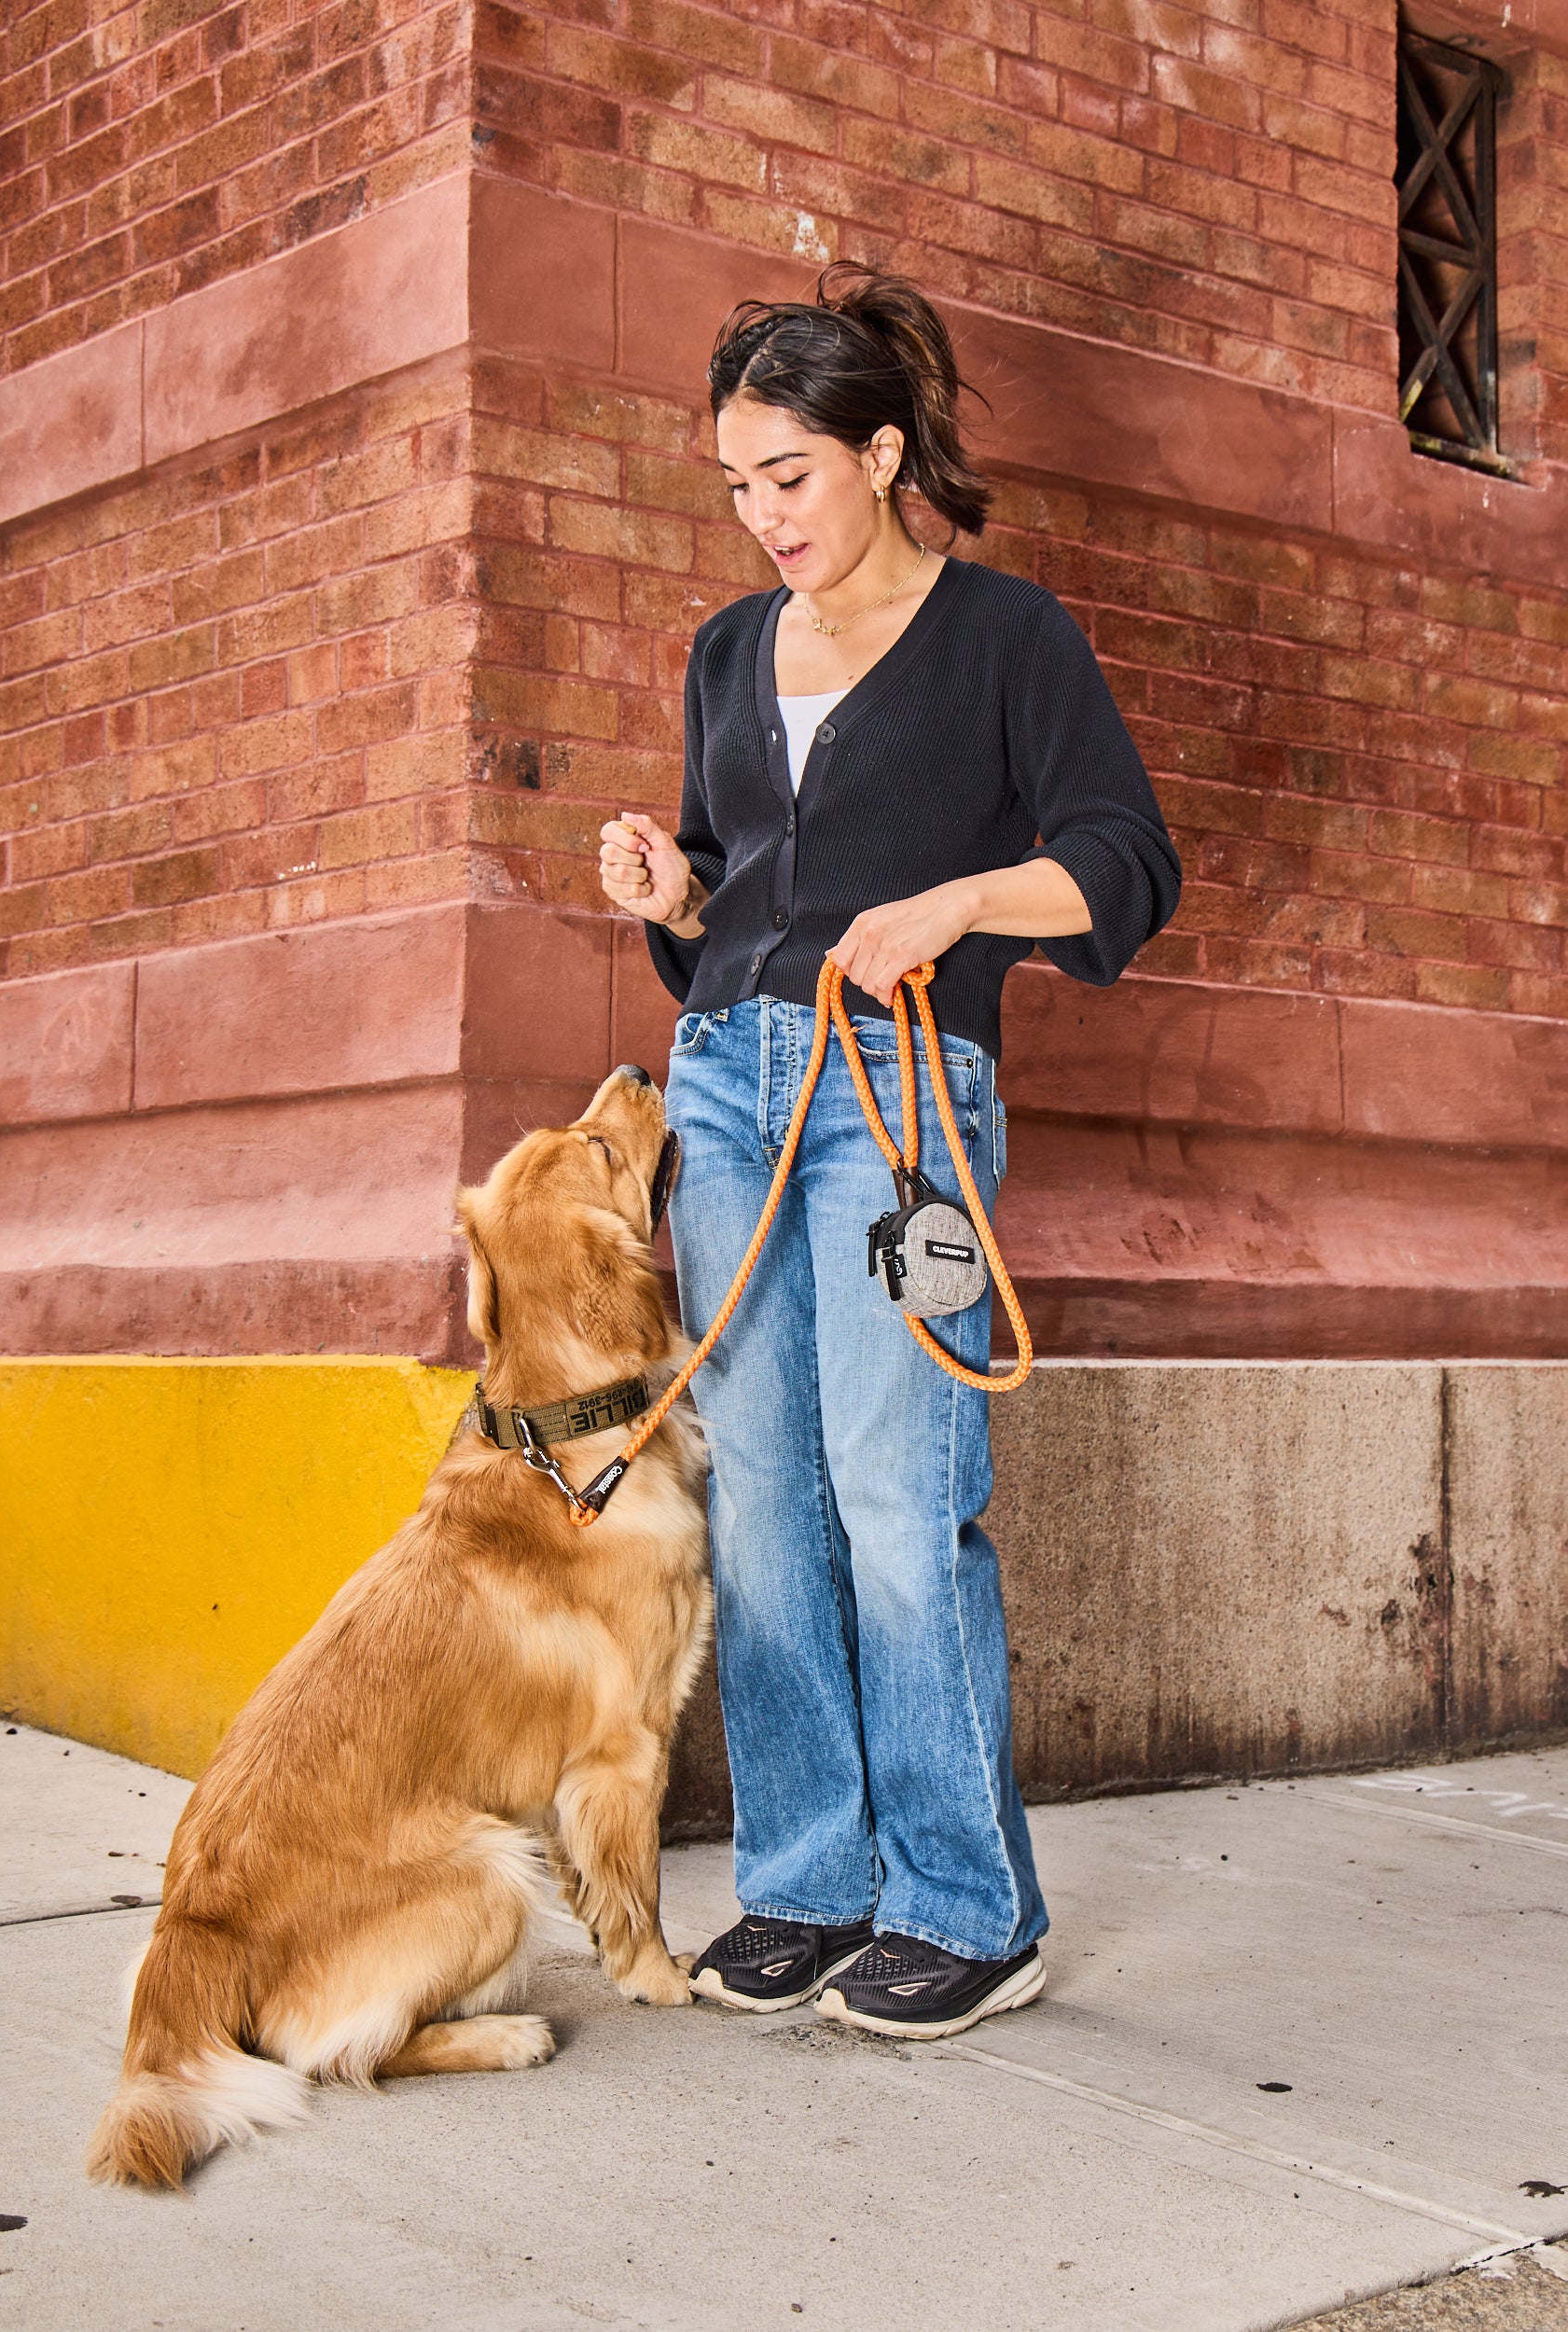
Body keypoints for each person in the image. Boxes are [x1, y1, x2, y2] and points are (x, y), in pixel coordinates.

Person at [597, 265, 1181, 2041]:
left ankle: (958, 1900)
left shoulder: (1010, 641)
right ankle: (806, 1881)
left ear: (880, 451)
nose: (764, 516)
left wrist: (954, 905)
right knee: (764, 1506)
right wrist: (674, 897)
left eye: (789, 475)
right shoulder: (721, 653)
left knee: (891, 1490)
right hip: (725, 1089)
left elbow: (1121, 867)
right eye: (736, 488)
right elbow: (735, 909)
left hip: (894, 1098)